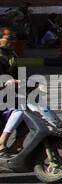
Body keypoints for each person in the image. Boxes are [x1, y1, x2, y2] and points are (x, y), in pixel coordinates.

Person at [0, 28, 24, 156]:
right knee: (20, 109)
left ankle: (18, 144)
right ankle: (2, 143)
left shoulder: (12, 56)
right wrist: (5, 82)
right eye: (9, 39)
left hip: (7, 96)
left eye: (14, 39)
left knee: (31, 112)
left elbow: (19, 76)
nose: (13, 41)